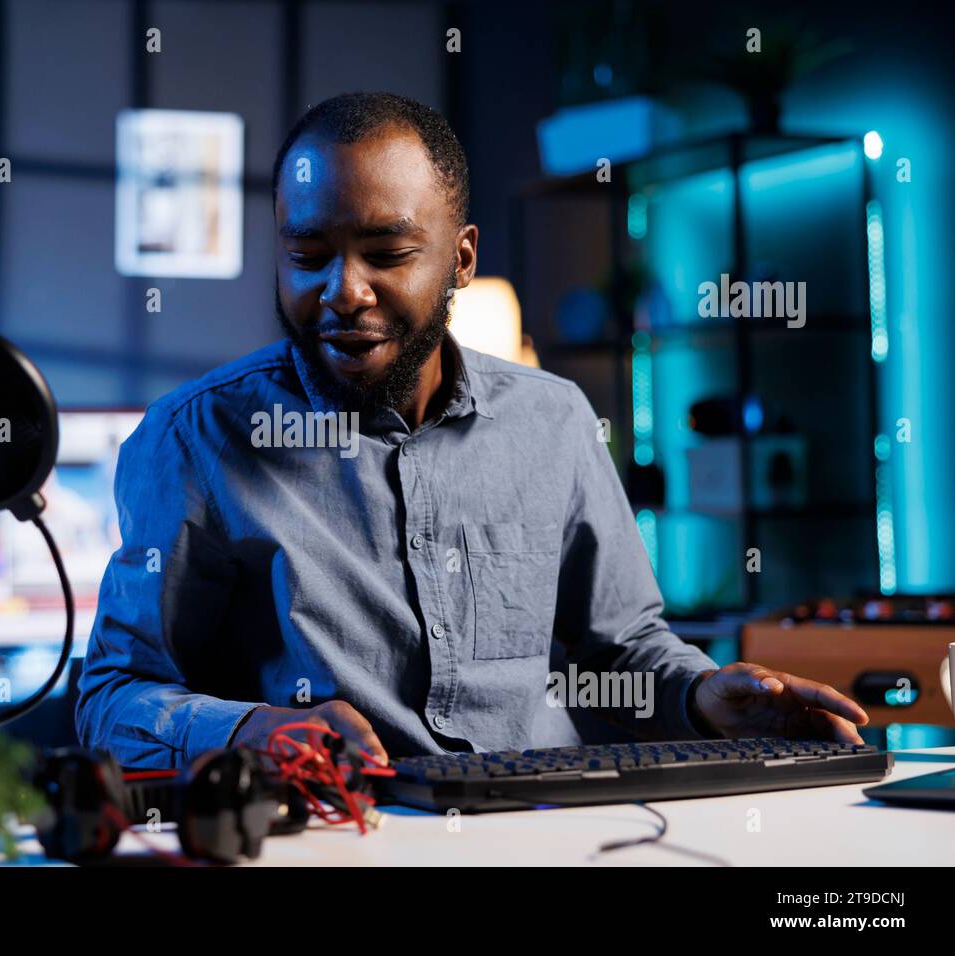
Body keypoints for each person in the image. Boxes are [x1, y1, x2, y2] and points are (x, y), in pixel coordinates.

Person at [76, 92, 867, 769]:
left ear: (460, 259)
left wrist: (701, 697)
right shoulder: (194, 439)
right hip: (339, 836)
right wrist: (251, 730)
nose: (342, 291)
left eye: (386, 252)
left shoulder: (552, 421)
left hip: (548, 830)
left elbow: (621, 650)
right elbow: (112, 698)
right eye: (307, 254)